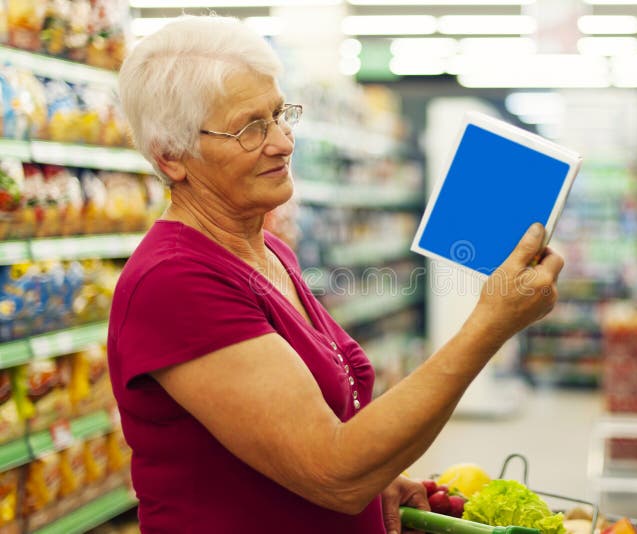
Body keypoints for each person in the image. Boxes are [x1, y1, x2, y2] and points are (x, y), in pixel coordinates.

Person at [108, 15, 564, 534]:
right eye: (250, 127)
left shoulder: (271, 252)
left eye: (279, 114)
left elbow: (320, 433)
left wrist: (380, 476)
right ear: (172, 157)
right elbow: (332, 472)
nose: (282, 142)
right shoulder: (175, 282)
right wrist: (490, 324)